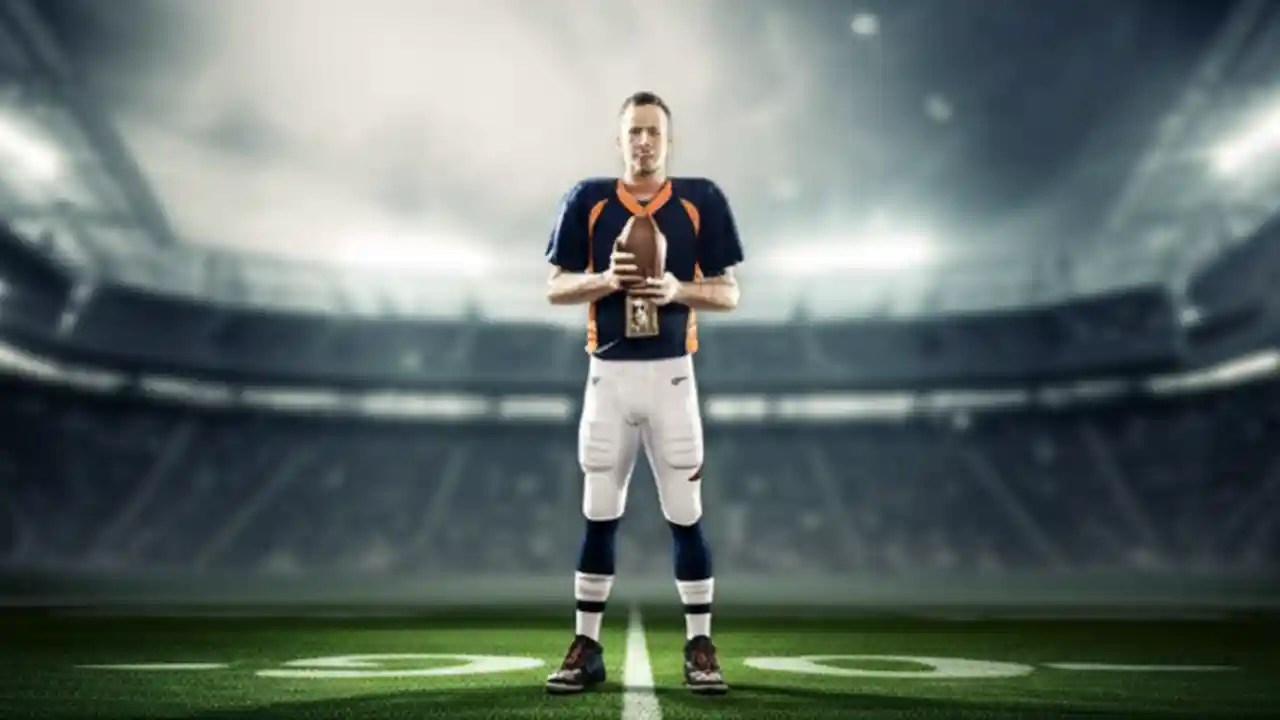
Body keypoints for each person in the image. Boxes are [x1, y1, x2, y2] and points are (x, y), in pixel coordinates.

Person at [543, 90, 744, 695]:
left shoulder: (701, 200)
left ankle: (699, 645)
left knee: (685, 516)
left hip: (672, 376)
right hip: (607, 376)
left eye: (654, 131)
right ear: (619, 139)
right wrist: (607, 278)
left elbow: (730, 292)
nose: (644, 142)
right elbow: (554, 288)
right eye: (634, 131)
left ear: (669, 140)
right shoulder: (588, 200)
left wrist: (680, 290)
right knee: (598, 512)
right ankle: (587, 645)